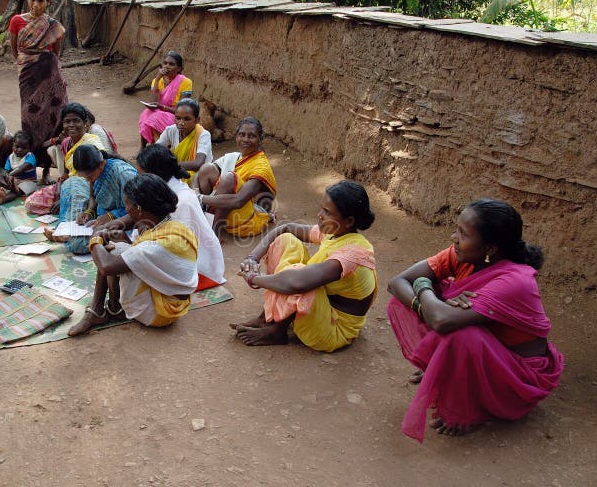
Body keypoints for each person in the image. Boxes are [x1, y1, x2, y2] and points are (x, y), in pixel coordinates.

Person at [386, 198, 564, 441]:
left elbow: (440, 319)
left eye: (463, 233)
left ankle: (467, 411)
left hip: (516, 377)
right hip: (490, 352)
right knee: (407, 302)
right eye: (457, 229)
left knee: (459, 333)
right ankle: (443, 366)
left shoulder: (514, 281)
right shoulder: (463, 256)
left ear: (490, 248)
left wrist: (423, 286)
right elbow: (397, 283)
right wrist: (429, 301)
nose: (453, 237)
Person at [231, 180, 377, 352]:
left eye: (327, 212)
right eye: (322, 209)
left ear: (349, 221)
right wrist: (252, 258)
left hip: (333, 328)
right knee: (285, 241)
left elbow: (297, 283)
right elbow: (285, 228)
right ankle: (267, 318)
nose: (320, 215)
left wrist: (254, 278)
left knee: (299, 275)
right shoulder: (335, 233)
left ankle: (277, 331)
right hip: (323, 307)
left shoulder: (353, 254)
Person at [68, 174, 199, 336]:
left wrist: (95, 237)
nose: (125, 209)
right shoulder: (173, 225)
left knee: (113, 251)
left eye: (127, 205)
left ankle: (101, 311)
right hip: (171, 300)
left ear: (139, 209)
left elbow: (107, 266)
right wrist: (118, 230)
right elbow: (133, 225)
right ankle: (110, 309)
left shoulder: (157, 244)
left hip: (161, 312)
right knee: (119, 247)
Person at [100, 145, 225, 291]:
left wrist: (130, 241)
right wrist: (120, 223)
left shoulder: (181, 201)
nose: (139, 179)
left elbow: (171, 251)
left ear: (155, 175)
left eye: (141, 175)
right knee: (120, 249)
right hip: (183, 259)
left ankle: (113, 307)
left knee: (118, 256)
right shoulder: (168, 191)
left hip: (199, 272)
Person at [9, 0, 68, 183]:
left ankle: (47, 172)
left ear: (48, 2)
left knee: (53, 122)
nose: (36, 4)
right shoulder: (17, 21)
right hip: (27, 76)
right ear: (27, 0)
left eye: (41, 1)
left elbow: (56, 53)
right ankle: (31, 169)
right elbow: (15, 49)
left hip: (50, 77)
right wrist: (27, 63)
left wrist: (45, 66)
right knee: (30, 122)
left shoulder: (53, 25)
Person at [43, 145, 136, 253]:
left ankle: (72, 238)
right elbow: (93, 196)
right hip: (99, 218)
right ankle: (67, 232)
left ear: (101, 164)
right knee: (71, 183)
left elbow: (136, 210)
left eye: (90, 177)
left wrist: (111, 216)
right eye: (86, 178)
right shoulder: (96, 173)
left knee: (77, 245)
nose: (89, 181)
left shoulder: (124, 174)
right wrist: (89, 211)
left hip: (123, 221)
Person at [193, 117, 277, 236]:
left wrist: (200, 198)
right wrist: (195, 193)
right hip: (230, 211)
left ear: (260, 139)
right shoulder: (235, 157)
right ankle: (206, 217)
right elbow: (200, 173)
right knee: (207, 168)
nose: (245, 139)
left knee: (230, 178)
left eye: (251, 136)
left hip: (250, 220)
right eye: (242, 135)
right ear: (236, 136)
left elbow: (238, 201)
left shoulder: (261, 167)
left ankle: (214, 232)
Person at [24, 103, 111, 215]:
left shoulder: (92, 142)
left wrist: (65, 197)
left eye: (76, 121)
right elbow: (66, 172)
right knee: (31, 204)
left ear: (84, 123)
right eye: (67, 122)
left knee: (76, 210)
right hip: (68, 185)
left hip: (87, 188)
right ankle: (66, 206)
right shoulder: (66, 142)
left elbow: (99, 173)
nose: (71, 125)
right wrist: (60, 189)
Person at [137, 51, 193, 149]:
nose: (167, 66)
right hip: (159, 111)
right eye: (165, 63)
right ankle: (142, 147)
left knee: (155, 117)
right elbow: (153, 102)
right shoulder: (157, 81)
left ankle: (157, 148)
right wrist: (158, 79)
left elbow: (183, 109)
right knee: (146, 113)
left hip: (176, 115)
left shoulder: (185, 82)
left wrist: (162, 107)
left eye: (171, 64)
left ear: (179, 68)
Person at [155, 98, 212, 184]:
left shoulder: (203, 135)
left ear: (197, 120)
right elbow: (155, 150)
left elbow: (198, 163)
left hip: (197, 174)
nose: (181, 123)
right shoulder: (171, 130)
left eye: (187, 119)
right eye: (178, 118)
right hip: (176, 170)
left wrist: (168, 165)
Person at [0, 131, 38, 203]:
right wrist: (7, 177)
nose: (19, 150)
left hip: (28, 182)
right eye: (17, 147)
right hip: (14, 180)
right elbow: (6, 171)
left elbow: (21, 169)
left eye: (24, 148)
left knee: (16, 192)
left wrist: (10, 176)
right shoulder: (11, 157)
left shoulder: (30, 157)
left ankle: (4, 199)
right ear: (13, 145)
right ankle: (7, 187)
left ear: (29, 148)